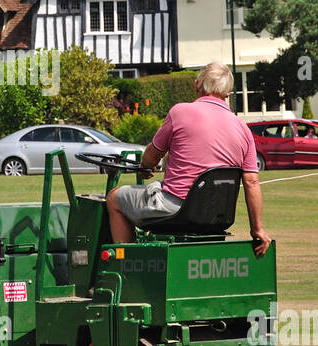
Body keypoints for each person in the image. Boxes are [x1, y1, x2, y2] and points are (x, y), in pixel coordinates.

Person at [107, 62, 271, 256]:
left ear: (196, 85)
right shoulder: (243, 129)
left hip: (176, 208)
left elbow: (154, 153)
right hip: (217, 215)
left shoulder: (180, 112)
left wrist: (145, 167)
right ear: (228, 93)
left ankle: (127, 266)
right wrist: (257, 229)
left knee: (114, 198)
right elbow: (251, 182)